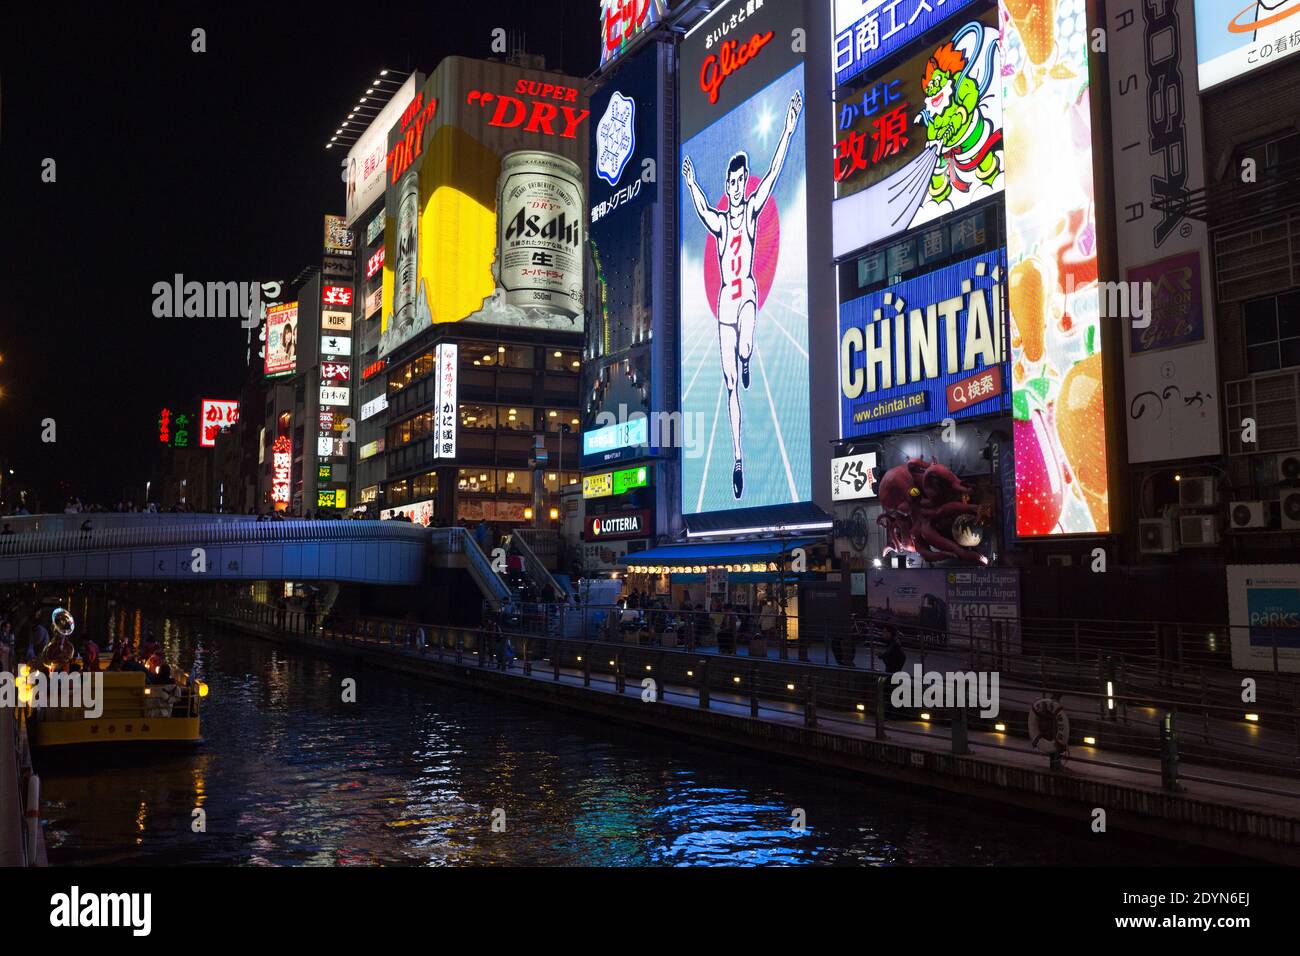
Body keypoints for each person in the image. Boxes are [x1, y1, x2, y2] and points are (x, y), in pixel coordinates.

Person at [681, 89, 802, 499]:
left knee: (746, 345)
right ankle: (737, 459)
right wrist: (692, 183)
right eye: (730, 182)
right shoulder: (719, 221)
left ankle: (747, 356)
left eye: (739, 181)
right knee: (731, 385)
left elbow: (775, 172)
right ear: (726, 184)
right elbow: (701, 209)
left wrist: (788, 128)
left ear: (743, 181)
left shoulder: (750, 211)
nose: (735, 187)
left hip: (746, 294)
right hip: (724, 308)